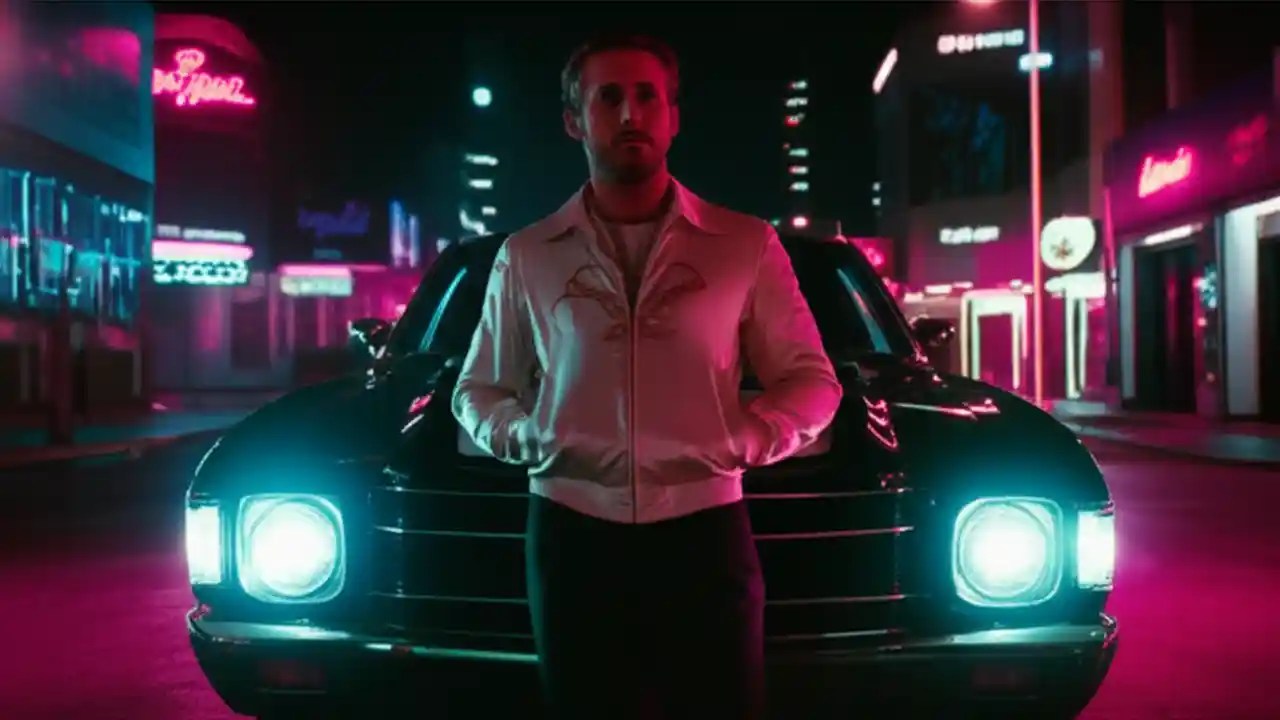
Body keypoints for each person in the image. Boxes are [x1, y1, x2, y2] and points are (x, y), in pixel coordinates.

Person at [452, 33, 843, 720]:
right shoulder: (528, 255)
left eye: (646, 96)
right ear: (575, 119)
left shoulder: (743, 244)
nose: (630, 114)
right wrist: (527, 437)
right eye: (609, 98)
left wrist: (747, 441)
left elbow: (812, 379)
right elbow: (477, 388)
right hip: (571, 533)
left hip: (705, 531)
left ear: (673, 115)